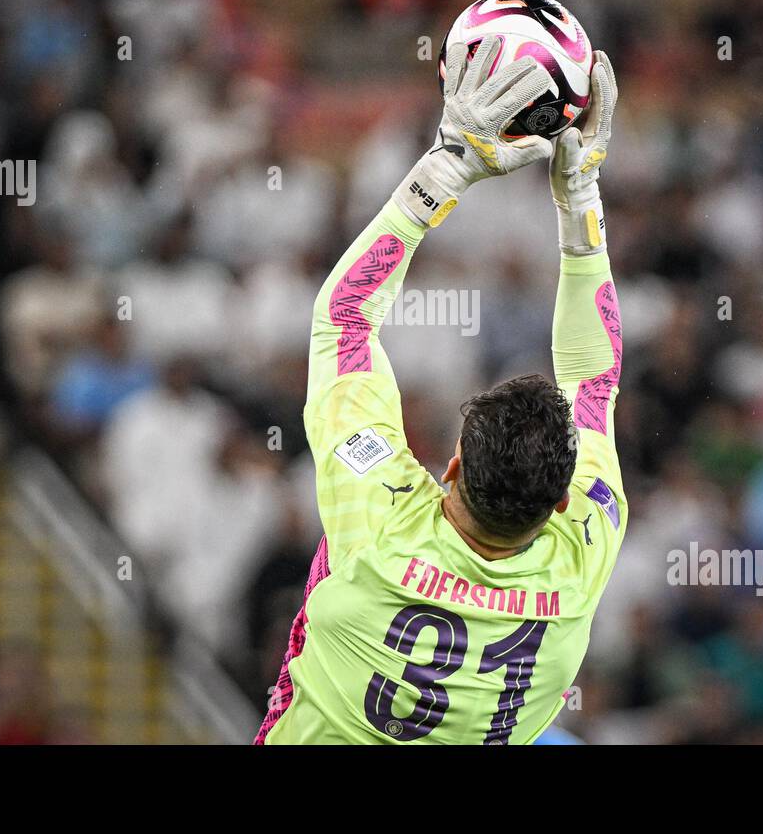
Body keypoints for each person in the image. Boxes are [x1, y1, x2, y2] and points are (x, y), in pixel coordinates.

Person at [256, 36, 627, 744]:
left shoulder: (379, 523)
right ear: (560, 502)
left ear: (451, 464)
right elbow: (596, 380)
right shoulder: (584, 555)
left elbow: (343, 320)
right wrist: (581, 200)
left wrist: (449, 165)